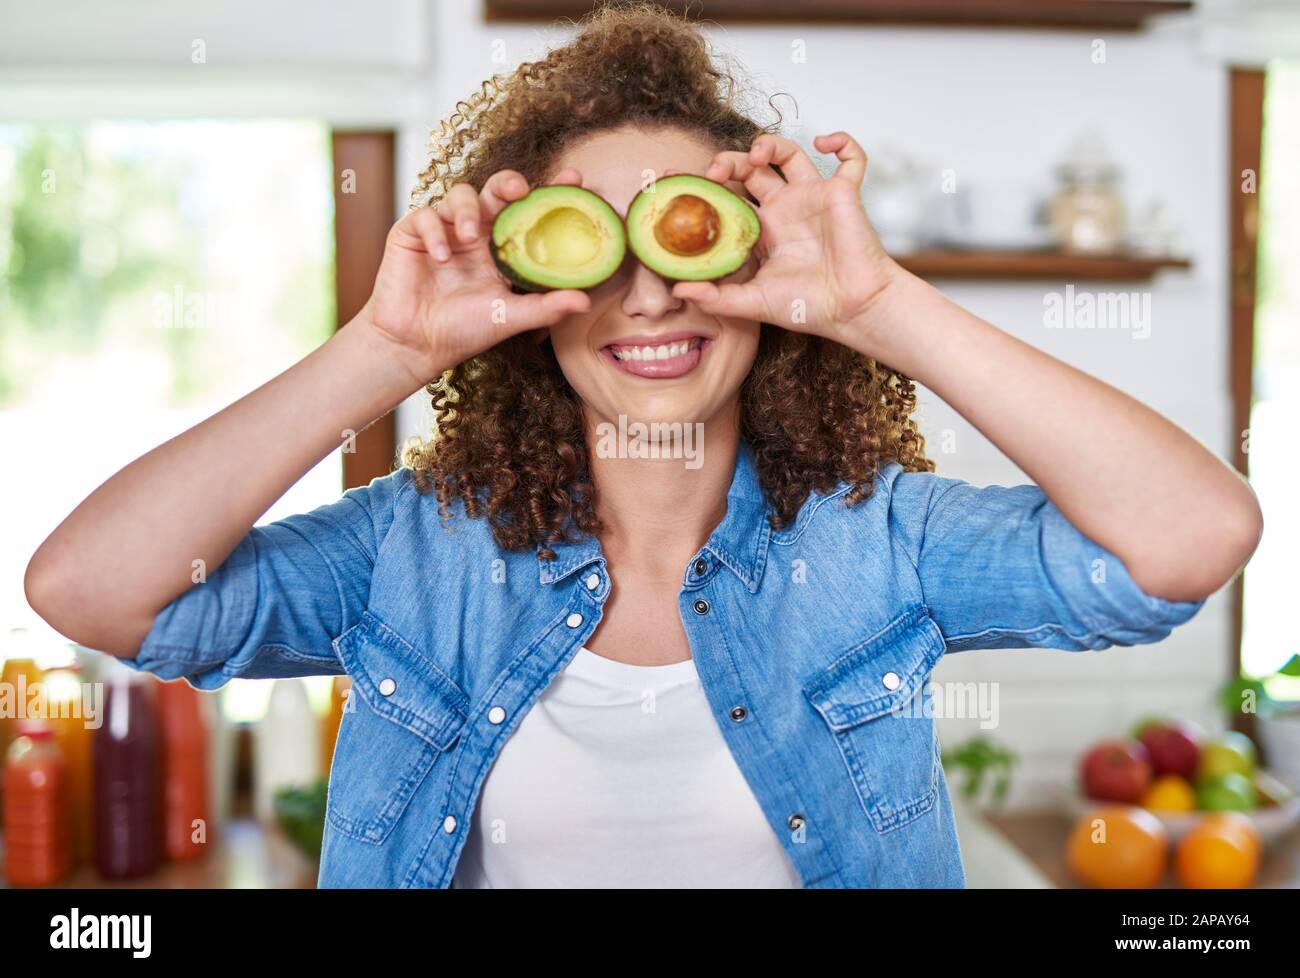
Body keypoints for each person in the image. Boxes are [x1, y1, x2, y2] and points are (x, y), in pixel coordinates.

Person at [25, 4, 1261, 888]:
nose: (649, 295)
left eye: (685, 241)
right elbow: (91, 590)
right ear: (530, 300)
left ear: (759, 272)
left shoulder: (881, 540)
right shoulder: (407, 551)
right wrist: (386, 352)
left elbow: (1189, 541)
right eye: (592, 251)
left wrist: (882, 307)